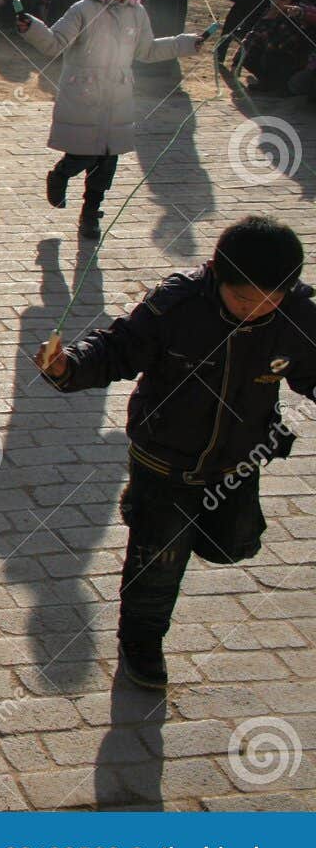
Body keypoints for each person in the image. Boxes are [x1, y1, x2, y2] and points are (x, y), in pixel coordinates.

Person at [34, 216, 316, 691]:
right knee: (159, 563)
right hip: (164, 458)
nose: (257, 310)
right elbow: (117, 349)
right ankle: (141, 644)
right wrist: (69, 365)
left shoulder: (300, 317)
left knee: (234, 543)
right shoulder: (176, 307)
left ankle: (166, 525)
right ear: (215, 274)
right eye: (243, 299)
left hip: (237, 458)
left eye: (271, 300)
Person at [17, 0, 207, 241]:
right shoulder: (83, 9)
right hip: (84, 92)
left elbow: (147, 51)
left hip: (118, 96)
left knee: (107, 160)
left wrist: (187, 43)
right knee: (84, 152)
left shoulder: (137, 14)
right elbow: (55, 43)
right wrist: (32, 27)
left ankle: (91, 214)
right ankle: (61, 174)